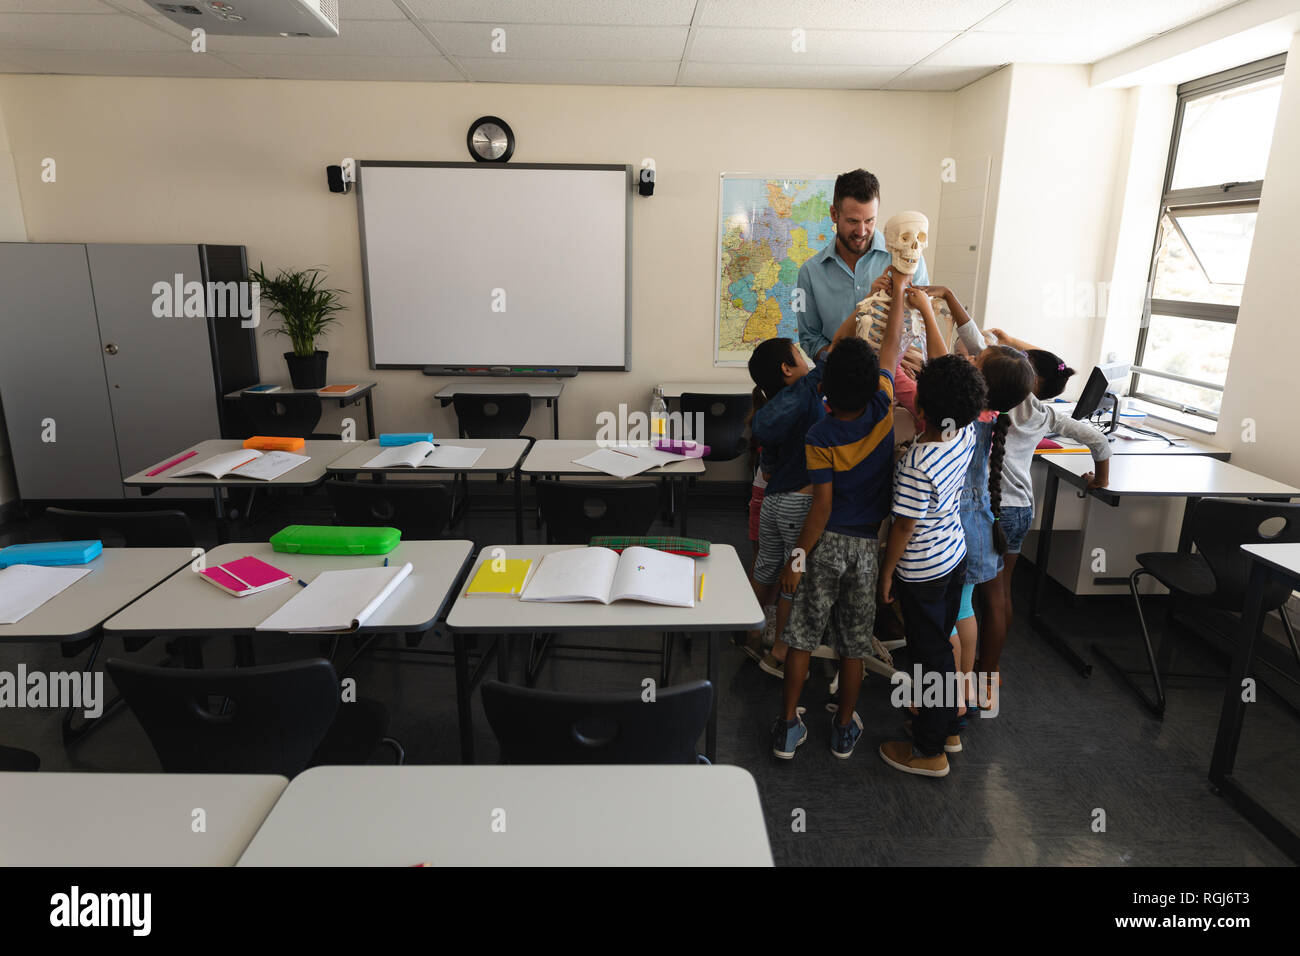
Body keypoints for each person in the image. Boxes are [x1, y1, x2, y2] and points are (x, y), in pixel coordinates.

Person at [770, 271, 909, 760]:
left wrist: (796, 558)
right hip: (867, 549)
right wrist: (898, 286)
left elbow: (821, 508)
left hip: (824, 544)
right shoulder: (884, 406)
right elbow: (890, 346)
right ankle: (845, 726)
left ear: (826, 389)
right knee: (854, 646)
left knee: (802, 636)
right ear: (872, 382)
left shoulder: (820, 436)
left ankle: (788, 726)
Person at [981, 331, 1112, 688]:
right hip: (1021, 509)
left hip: (991, 509)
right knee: (1002, 593)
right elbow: (1100, 441)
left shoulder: (990, 404)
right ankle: (990, 674)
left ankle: (973, 671)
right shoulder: (1045, 413)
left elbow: (979, 344)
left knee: (977, 596)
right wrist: (1099, 479)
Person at [877, 353, 985, 777]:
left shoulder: (917, 463)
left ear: (918, 411)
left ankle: (929, 751)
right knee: (939, 642)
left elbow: (904, 527)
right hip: (954, 556)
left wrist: (887, 572)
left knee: (932, 654)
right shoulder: (968, 432)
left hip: (921, 570)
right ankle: (948, 729)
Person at [743, 335, 829, 673]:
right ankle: (780, 651)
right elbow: (829, 358)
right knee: (795, 577)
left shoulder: (773, 407)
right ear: (786, 368)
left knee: (765, 567)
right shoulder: (807, 390)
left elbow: (769, 464)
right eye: (800, 354)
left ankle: (750, 634)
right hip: (798, 505)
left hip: (773, 502)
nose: (806, 359)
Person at [795, 169, 929, 365]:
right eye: (852, 221)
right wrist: (837, 364)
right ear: (834, 214)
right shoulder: (809, 273)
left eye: (870, 220)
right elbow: (810, 339)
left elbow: (922, 323)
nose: (862, 231)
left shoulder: (908, 259)